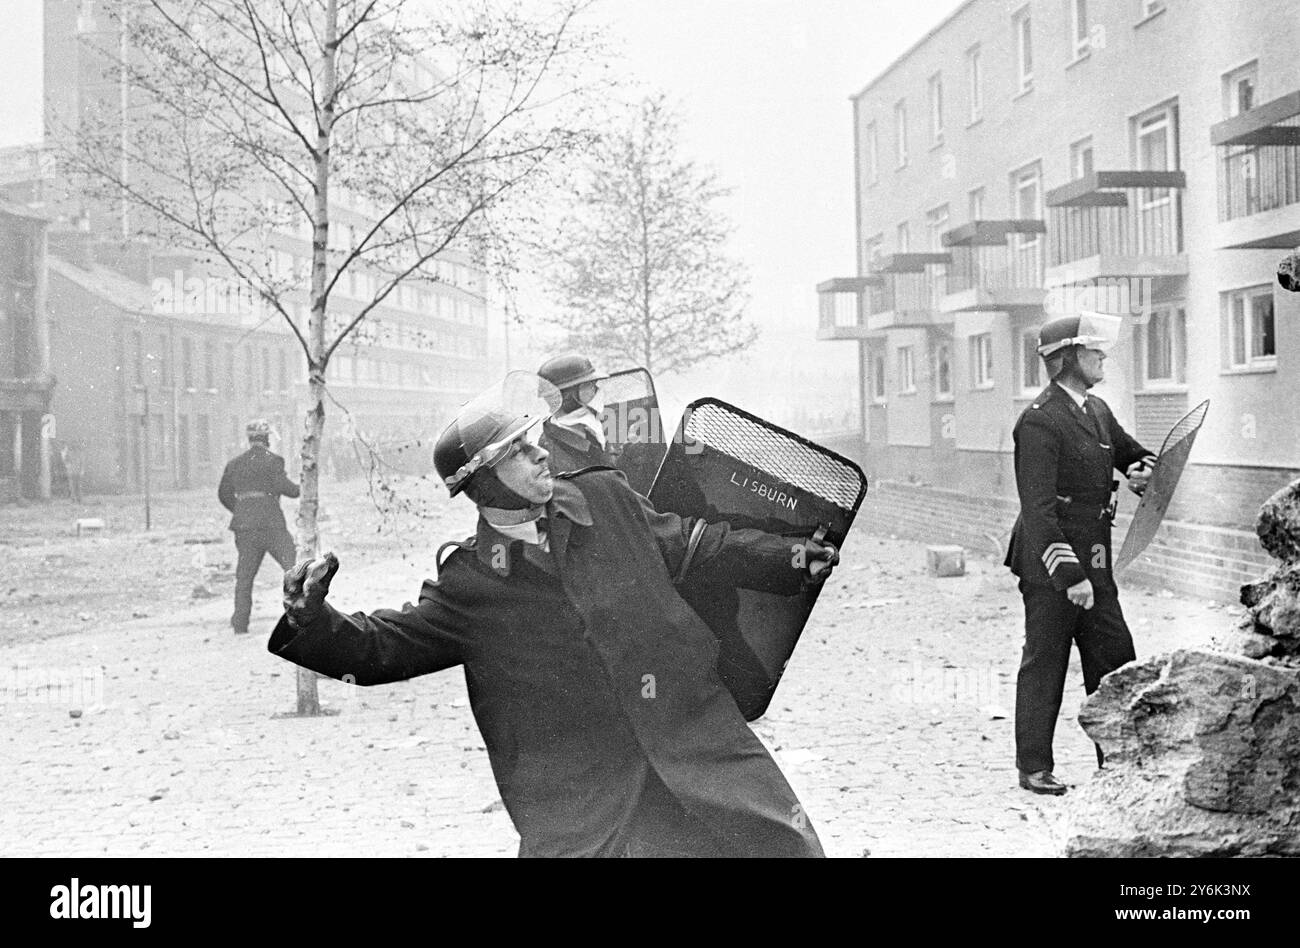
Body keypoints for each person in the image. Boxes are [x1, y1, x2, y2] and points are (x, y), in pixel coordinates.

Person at [268, 373, 839, 857]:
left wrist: (790, 557)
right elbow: (380, 648)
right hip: (586, 803)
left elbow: (695, 544)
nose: (541, 452)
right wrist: (308, 618)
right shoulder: (472, 583)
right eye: (518, 450)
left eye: (534, 439)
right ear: (483, 481)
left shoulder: (604, 499)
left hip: (698, 747)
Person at [1005, 313, 1156, 795]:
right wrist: (1070, 577)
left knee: (1115, 658)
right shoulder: (1039, 421)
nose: (1103, 357)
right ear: (1067, 358)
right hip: (1049, 560)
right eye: (1094, 351)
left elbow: (1134, 456)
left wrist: (1145, 471)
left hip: (1095, 557)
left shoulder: (1097, 410)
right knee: (1046, 660)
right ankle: (1033, 768)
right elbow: (1038, 510)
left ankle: (1119, 761)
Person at [218, 419, 300, 635]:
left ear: (250, 438)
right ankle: (299, 618)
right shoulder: (274, 461)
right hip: (272, 524)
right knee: (293, 568)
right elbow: (288, 489)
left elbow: (224, 494)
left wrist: (242, 509)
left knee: (244, 576)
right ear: (266, 438)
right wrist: (301, 488)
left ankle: (240, 623)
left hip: (245, 527)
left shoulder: (234, 463)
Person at [536, 353, 618, 474]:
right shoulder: (554, 455)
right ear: (568, 396)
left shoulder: (587, 428)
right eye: (589, 385)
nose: (596, 391)